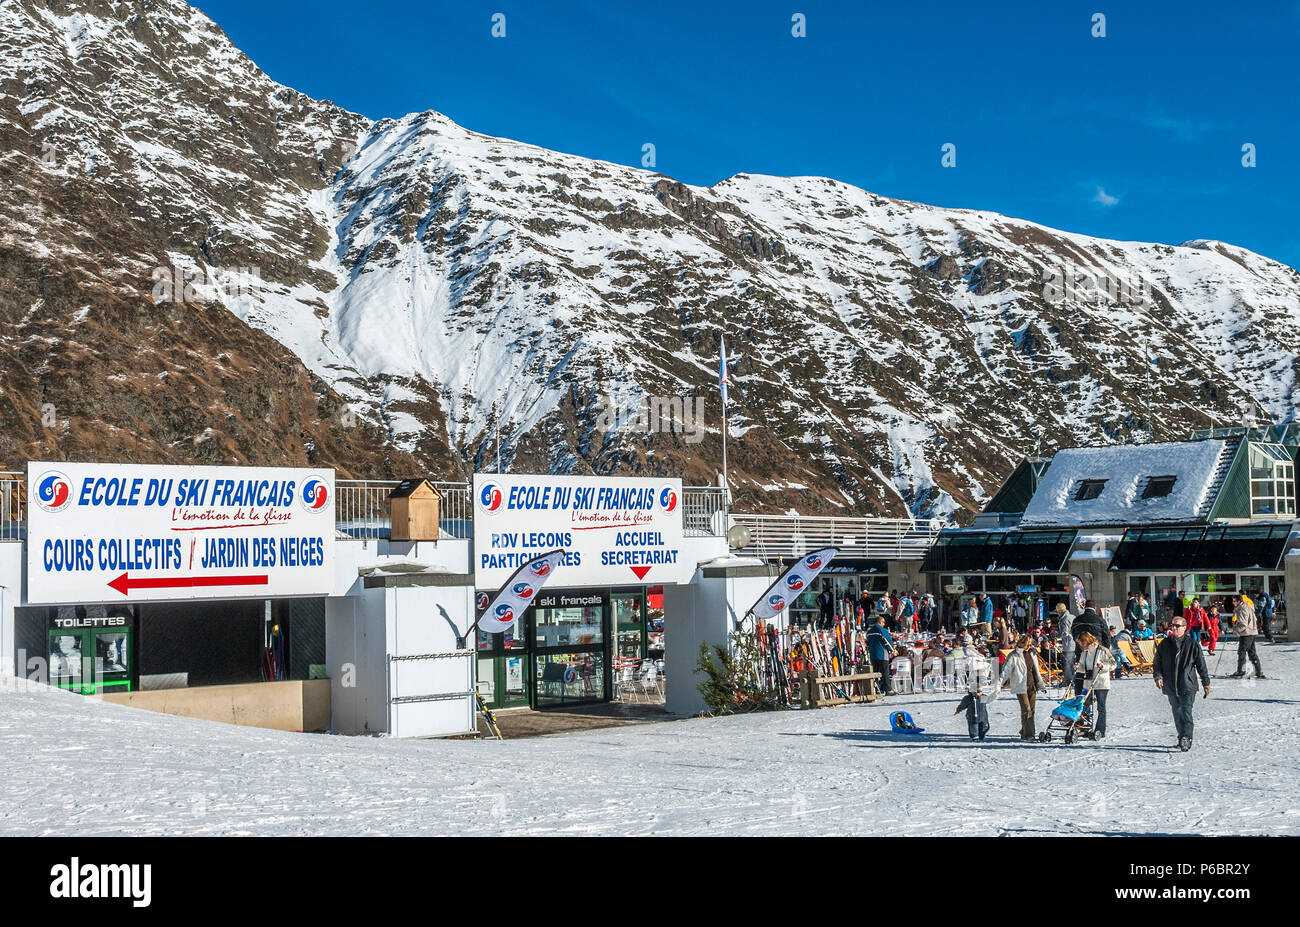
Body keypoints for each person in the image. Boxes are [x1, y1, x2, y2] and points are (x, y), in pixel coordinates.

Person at [1153, 615, 1211, 751]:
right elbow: (1157, 663)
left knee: (1186, 712)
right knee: (1177, 713)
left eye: (1177, 626)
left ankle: (1187, 738)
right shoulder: (1165, 644)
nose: (1174, 628)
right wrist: (1158, 677)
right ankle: (1181, 738)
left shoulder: (1192, 644)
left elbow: (1201, 665)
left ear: (1184, 628)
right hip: (1171, 684)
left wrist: (1206, 682)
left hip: (1187, 684)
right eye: (1172, 625)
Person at [1001, 634, 1045, 741]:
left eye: (1031, 645)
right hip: (1020, 685)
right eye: (1027, 645)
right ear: (1022, 644)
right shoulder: (1014, 655)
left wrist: (1041, 684)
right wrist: (999, 684)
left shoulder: (1032, 653)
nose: (1029, 647)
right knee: (1026, 709)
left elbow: (1036, 671)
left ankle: (1024, 730)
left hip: (1032, 685)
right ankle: (1029, 734)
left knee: (1032, 710)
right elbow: (1005, 671)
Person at [1076, 631, 1115, 739]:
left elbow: (1113, 664)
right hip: (1089, 682)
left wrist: (1103, 666)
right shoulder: (1084, 653)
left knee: (1101, 706)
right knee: (1085, 705)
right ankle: (1084, 727)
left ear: (1087, 641)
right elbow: (1083, 666)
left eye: (1082, 644)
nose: (1080, 646)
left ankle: (1100, 730)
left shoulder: (1102, 650)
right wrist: (1078, 667)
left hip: (1101, 682)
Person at [1227, 595, 1265, 679]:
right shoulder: (1247, 607)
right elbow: (1253, 619)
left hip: (1246, 633)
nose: (1233, 603)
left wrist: (1234, 630)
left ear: (1238, 601)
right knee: (1252, 653)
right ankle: (1258, 671)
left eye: (1234, 601)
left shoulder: (1242, 609)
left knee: (1242, 652)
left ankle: (1241, 671)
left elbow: (1243, 624)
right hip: (1251, 632)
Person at [866, 615, 894, 695]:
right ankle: (887, 689)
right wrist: (892, 649)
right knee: (885, 672)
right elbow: (888, 640)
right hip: (882, 653)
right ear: (880, 622)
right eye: (883, 622)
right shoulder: (882, 630)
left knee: (876, 672)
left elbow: (867, 642)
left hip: (873, 654)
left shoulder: (869, 632)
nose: (884, 624)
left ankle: (877, 688)